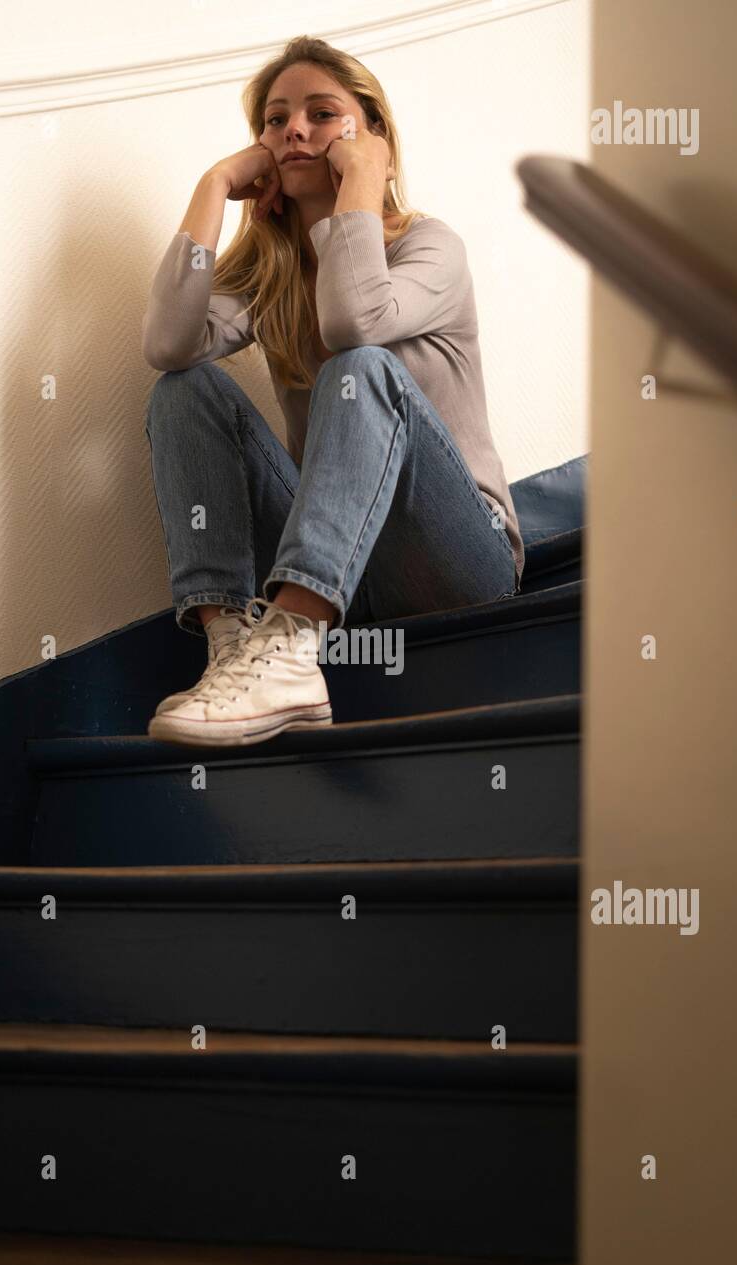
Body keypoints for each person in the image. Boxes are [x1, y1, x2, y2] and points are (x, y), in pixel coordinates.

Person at [142, 34, 524, 748]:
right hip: (346, 570)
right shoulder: (273, 274)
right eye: (276, 117)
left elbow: (355, 323)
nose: (293, 129)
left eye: (321, 113)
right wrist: (214, 186)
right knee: (182, 389)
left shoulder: (428, 248)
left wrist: (362, 181)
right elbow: (166, 344)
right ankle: (234, 646)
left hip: (454, 558)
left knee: (358, 371)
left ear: (369, 133)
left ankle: (289, 650)